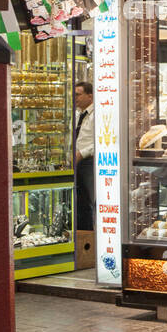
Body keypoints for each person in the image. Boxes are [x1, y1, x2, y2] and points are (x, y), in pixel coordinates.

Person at [73, 81, 95, 231]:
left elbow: (100, 142)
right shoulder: (77, 114)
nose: (75, 98)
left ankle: (89, 234)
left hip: (88, 161)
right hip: (76, 161)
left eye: (78, 94)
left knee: (89, 199)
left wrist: (82, 153)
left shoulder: (97, 115)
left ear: (90, 96)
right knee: (79, 200)